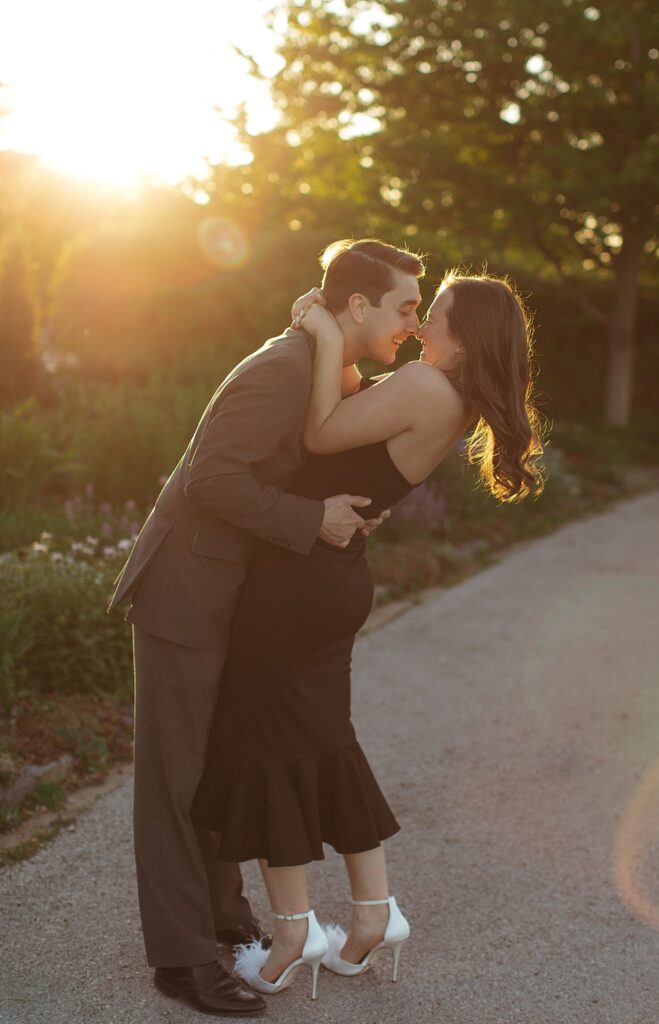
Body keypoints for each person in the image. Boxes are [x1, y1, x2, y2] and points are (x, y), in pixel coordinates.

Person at [190, 260, 545, 1001]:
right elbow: (352, 416)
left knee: (266, 745)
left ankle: (292, 933)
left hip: (296, 587)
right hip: (330, 580)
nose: (418, 324)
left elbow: (320, 434)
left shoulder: (422, 385)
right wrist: (331, 340)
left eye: (432, 312)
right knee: (324, 738)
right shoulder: (446, 397)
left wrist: (325, 334)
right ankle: (373, 912)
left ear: (463, 334)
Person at [107, 238, 424, 1016]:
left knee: (221, 768)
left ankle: (221, 919)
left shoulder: (320, 365)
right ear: (358, 305)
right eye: (406, 308)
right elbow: (210, 478)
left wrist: (347, 508)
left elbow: (315, 455)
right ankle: (182, 959)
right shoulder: (280, 370)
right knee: (177, 783)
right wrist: (311, 519)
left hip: (239, 596)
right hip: (187, 594)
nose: (414, 326)